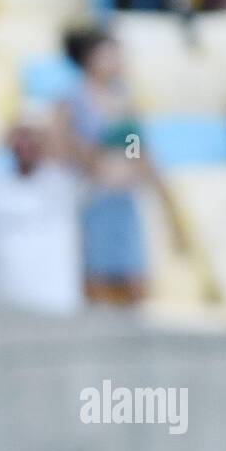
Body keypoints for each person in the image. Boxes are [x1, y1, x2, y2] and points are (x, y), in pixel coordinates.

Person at [60, 27, 155, 306]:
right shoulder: (73, 100)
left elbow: (144, 154)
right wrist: (94, 159)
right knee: (96, 279)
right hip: (93, 198)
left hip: (125, 199)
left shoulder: (125, 99)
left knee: (134, 280)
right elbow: (64, 149)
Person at [0, 116, 85, 315]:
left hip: (56, 305)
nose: (27, 143)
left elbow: (90, 162)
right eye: (22, 137)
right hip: (5, 304)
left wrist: (52, 135)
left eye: (34, 138)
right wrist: (1, 139)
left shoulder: (63, 181)